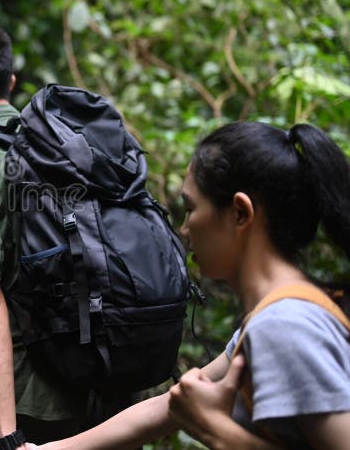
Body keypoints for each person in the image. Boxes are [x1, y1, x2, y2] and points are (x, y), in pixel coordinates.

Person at [26, 121, 350, 449]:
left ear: (240, 213)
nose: (183, 229)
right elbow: (165, 408)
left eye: (191, 208)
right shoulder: (272, 318)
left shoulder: (282, 325)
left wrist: (212, 428)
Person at [0, 20, 115, 449]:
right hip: (120, 386)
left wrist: (7, 437)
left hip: (34, 399)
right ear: (9, 82)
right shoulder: (73, 144)